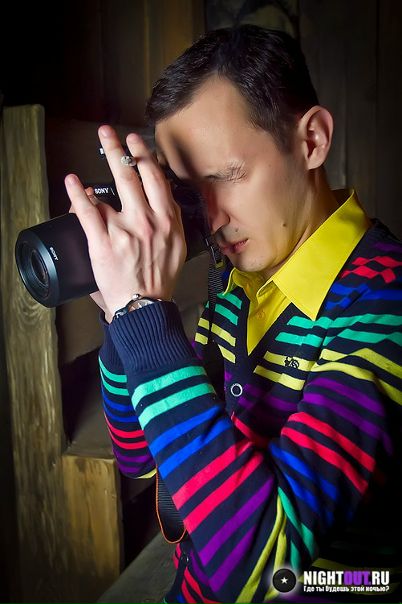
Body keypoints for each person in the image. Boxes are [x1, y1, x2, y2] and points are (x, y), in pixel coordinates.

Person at [65, 25, 402, 604]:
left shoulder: (384, 303)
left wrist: (142, 315)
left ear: (312, 140)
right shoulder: (236, 283)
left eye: (226, 177)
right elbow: (140, 457)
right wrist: (122, 320)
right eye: (191, 192)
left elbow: (264, 564)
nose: (212, 219)